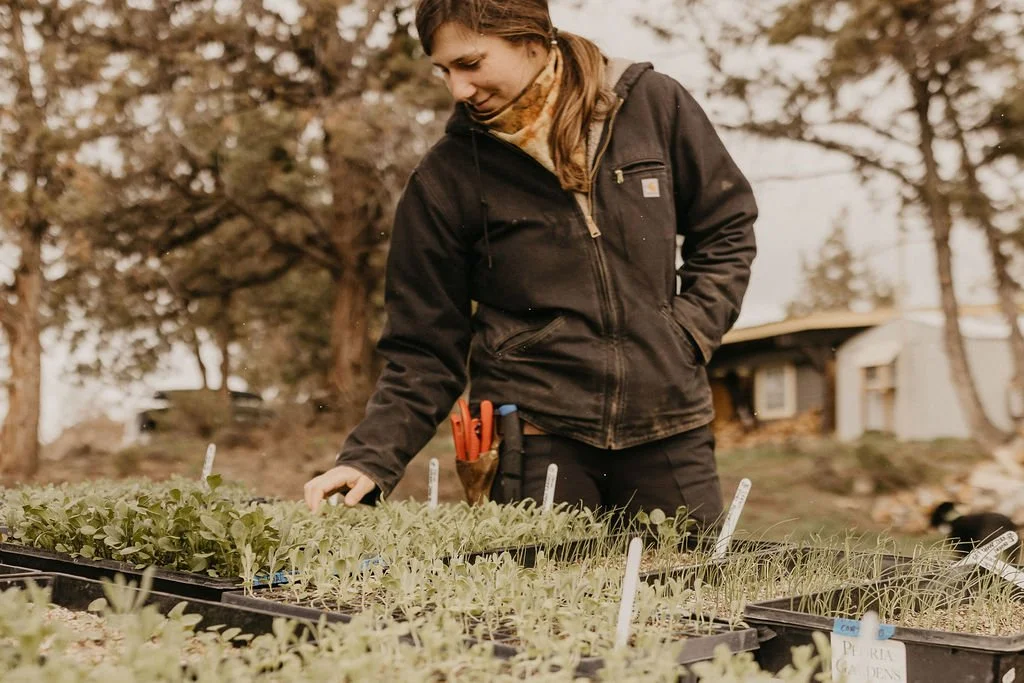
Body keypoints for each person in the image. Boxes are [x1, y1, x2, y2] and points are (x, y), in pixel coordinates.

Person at [304, 0, 757, 530]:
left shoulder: (654, 106)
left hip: (670, 426)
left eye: (470, 64)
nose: (458, 89)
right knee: (544, 611)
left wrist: (687, 332)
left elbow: (727, 225)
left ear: (532, 41)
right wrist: (369, 458)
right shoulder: (445, 179)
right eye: (444, 71)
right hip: (534, 443)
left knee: (692, 604)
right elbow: (424, 348)